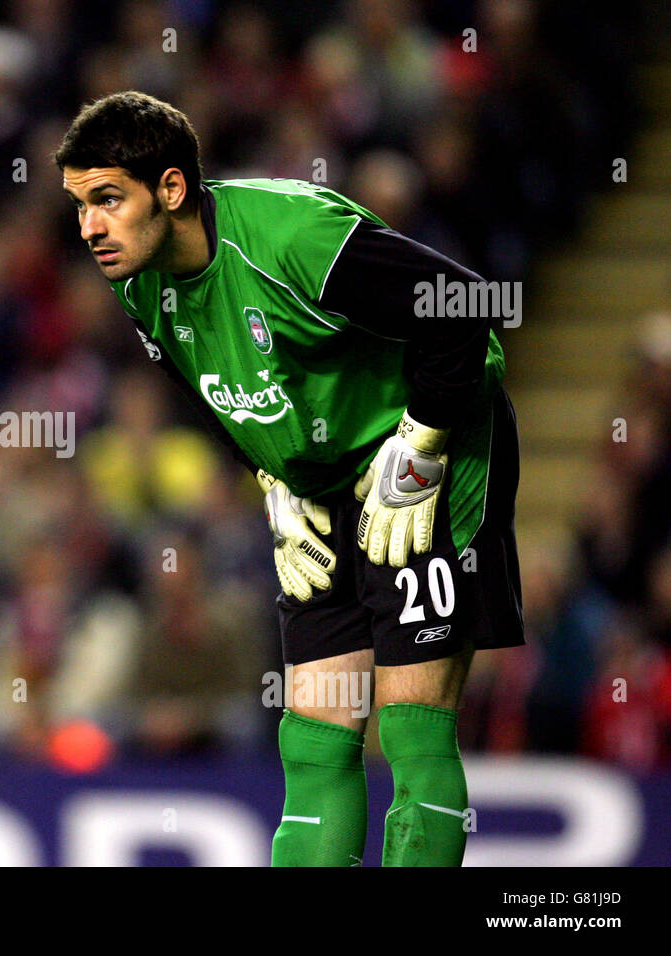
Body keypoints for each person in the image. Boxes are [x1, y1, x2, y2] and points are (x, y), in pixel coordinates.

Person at [55, 91, 524, 866]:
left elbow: (465, 309)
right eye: (79, 206)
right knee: (312, 745)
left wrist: (420, 447)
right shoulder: (136, 279)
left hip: (429, 438)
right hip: (317, 469)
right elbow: (214, 389)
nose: (89, 228)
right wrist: (272, 481)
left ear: (171, 190)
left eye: (107, 200)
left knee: (408, 729)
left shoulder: (292, 239)